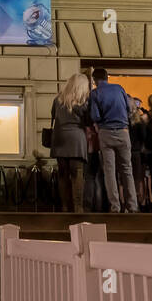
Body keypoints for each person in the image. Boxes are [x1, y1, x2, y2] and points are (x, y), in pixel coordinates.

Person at [88, 68, 139, 213]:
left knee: (109, 171)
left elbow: (95, 116)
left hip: (106, 133)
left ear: (94, 80)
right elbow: (130, 108)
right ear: (107, 77)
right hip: (123, 132)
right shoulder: (119, 88)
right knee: (126, 169)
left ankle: (115, 206)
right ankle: (132, 206)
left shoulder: (95, 93)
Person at [50, 73, 89, 213]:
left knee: (62, 174)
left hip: (59, 138)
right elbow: (88, 120)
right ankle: (78, 207)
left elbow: (53, 116)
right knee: (77, 174)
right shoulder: (83, 101)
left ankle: (65, 206)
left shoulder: (57, 99)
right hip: (76, 140)